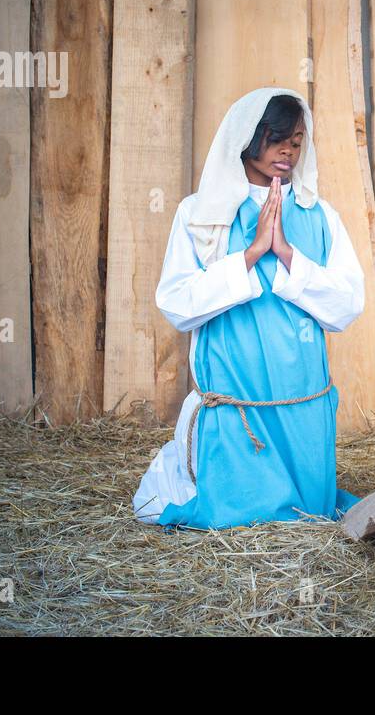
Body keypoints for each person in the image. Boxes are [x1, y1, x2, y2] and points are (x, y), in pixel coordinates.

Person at [133, 87, 363, 529]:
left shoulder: (320, 215)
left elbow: (346, 306)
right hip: (236, 406)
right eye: (277, 139)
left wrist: (288, 254)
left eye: (296, 141)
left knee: (308, 512)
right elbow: (177, 304)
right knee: (244, 514)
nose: (288, 151)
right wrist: (252, 253)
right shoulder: (200, 215)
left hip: (301, 405)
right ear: (247, 138)